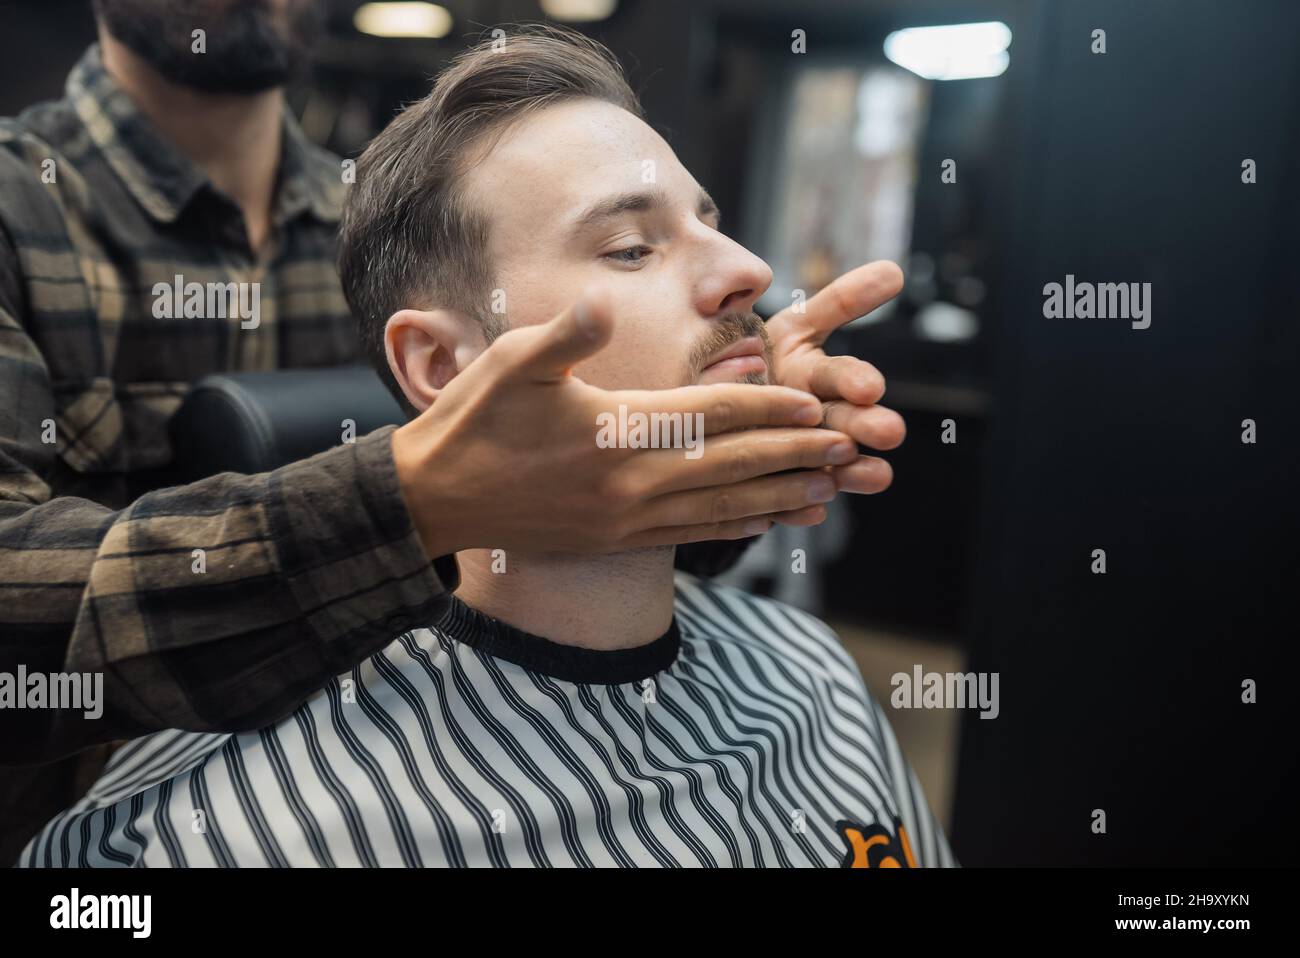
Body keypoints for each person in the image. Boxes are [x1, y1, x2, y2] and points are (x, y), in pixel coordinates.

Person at [18, 26, 947, 868]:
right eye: (630, 247)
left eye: (708, 221)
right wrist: (428, 499)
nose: (750, 268)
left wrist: (741, 451)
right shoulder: (223, 834)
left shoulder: (813, 677)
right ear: (437, 364)